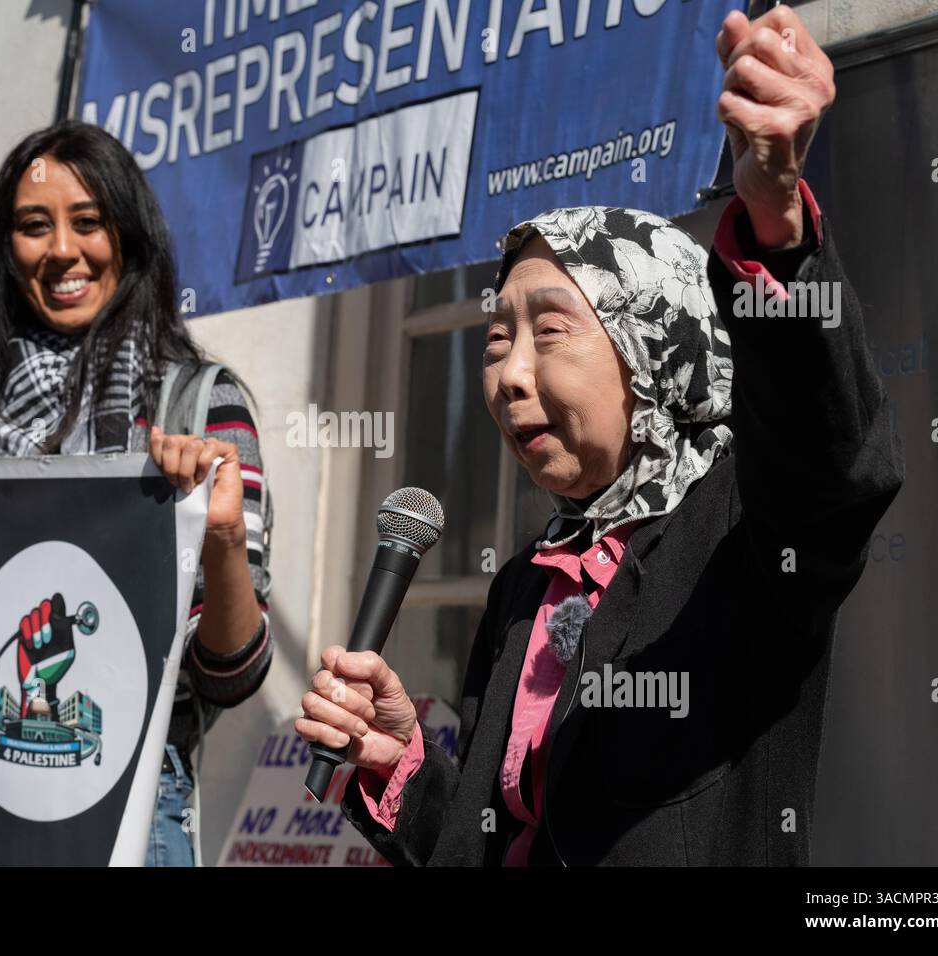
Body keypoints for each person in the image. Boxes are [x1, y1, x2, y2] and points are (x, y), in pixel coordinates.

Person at [296, 6, 903, 865]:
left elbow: (830, 460)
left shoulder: (745, 534)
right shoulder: (525, 587)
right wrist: (403, 762)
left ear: (651, 357)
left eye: (549, 333)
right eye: (497, 339)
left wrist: (776, 227)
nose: (507, 374)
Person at [0, 121, 273, 867]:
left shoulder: (201, 405)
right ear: (5, 251)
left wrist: (216, 539)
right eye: (34, 226)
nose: (62, 250)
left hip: (134, 810)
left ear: (128, 235)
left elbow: (235, 673)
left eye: (88, 221)